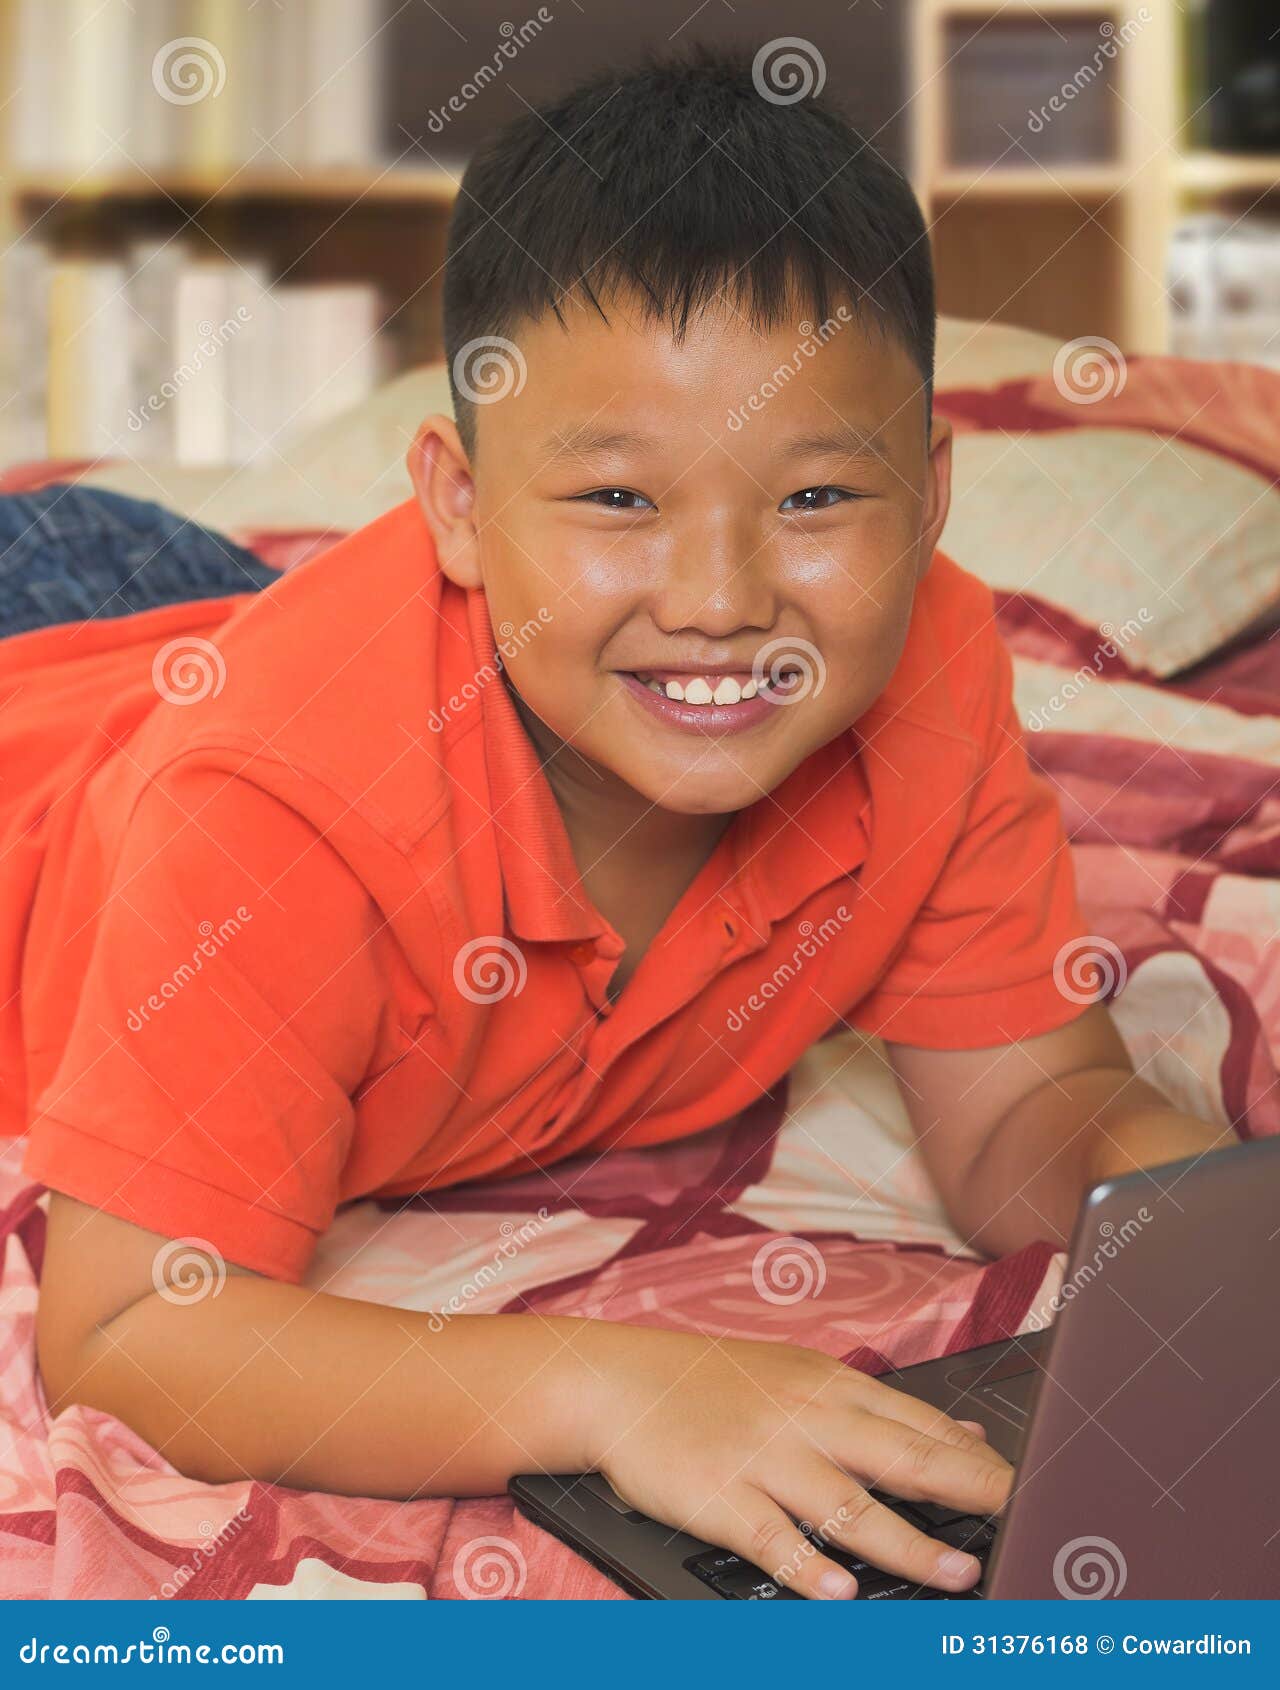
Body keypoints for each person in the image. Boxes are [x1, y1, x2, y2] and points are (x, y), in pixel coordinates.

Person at [8, 48, 1230, 1600]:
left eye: (813, 502)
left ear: (931, 498)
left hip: (204, 632)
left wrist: (1204, 1229)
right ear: (453, 502)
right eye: (615, 502)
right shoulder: (276, 810)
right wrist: (616, 1384)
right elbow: (125, 1328)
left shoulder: (931, 673)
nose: (719, 603)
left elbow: (1020, 1115)